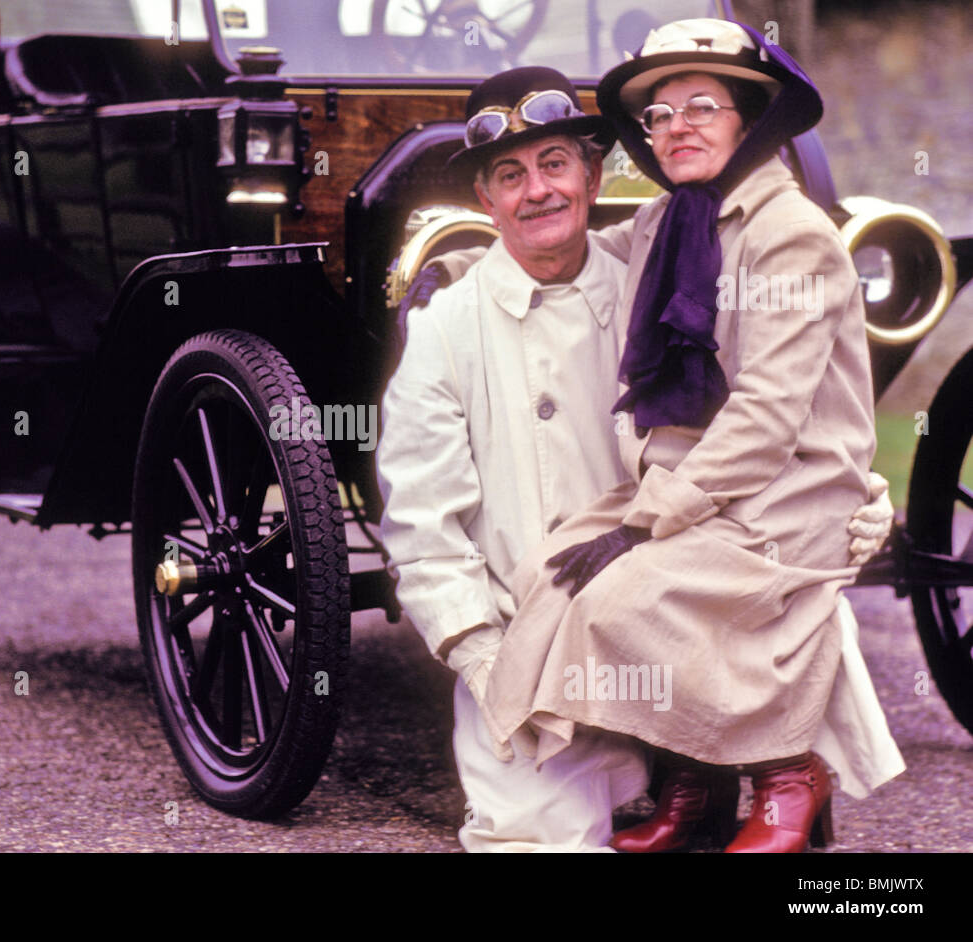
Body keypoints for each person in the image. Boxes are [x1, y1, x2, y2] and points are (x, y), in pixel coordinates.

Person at [377, 62, 897, 852]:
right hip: (535, 642)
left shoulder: (660, 277)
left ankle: (767, 773)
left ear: (592, 175)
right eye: (510, 176)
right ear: (484, 201)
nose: (538, 192)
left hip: (678, 617)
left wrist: (860, 491)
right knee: (531, 844)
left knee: (786, 589)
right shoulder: (445, 330)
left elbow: (772, 411)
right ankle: (714, 774)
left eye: (556, 164)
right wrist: (488, 666)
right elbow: (422, 529)